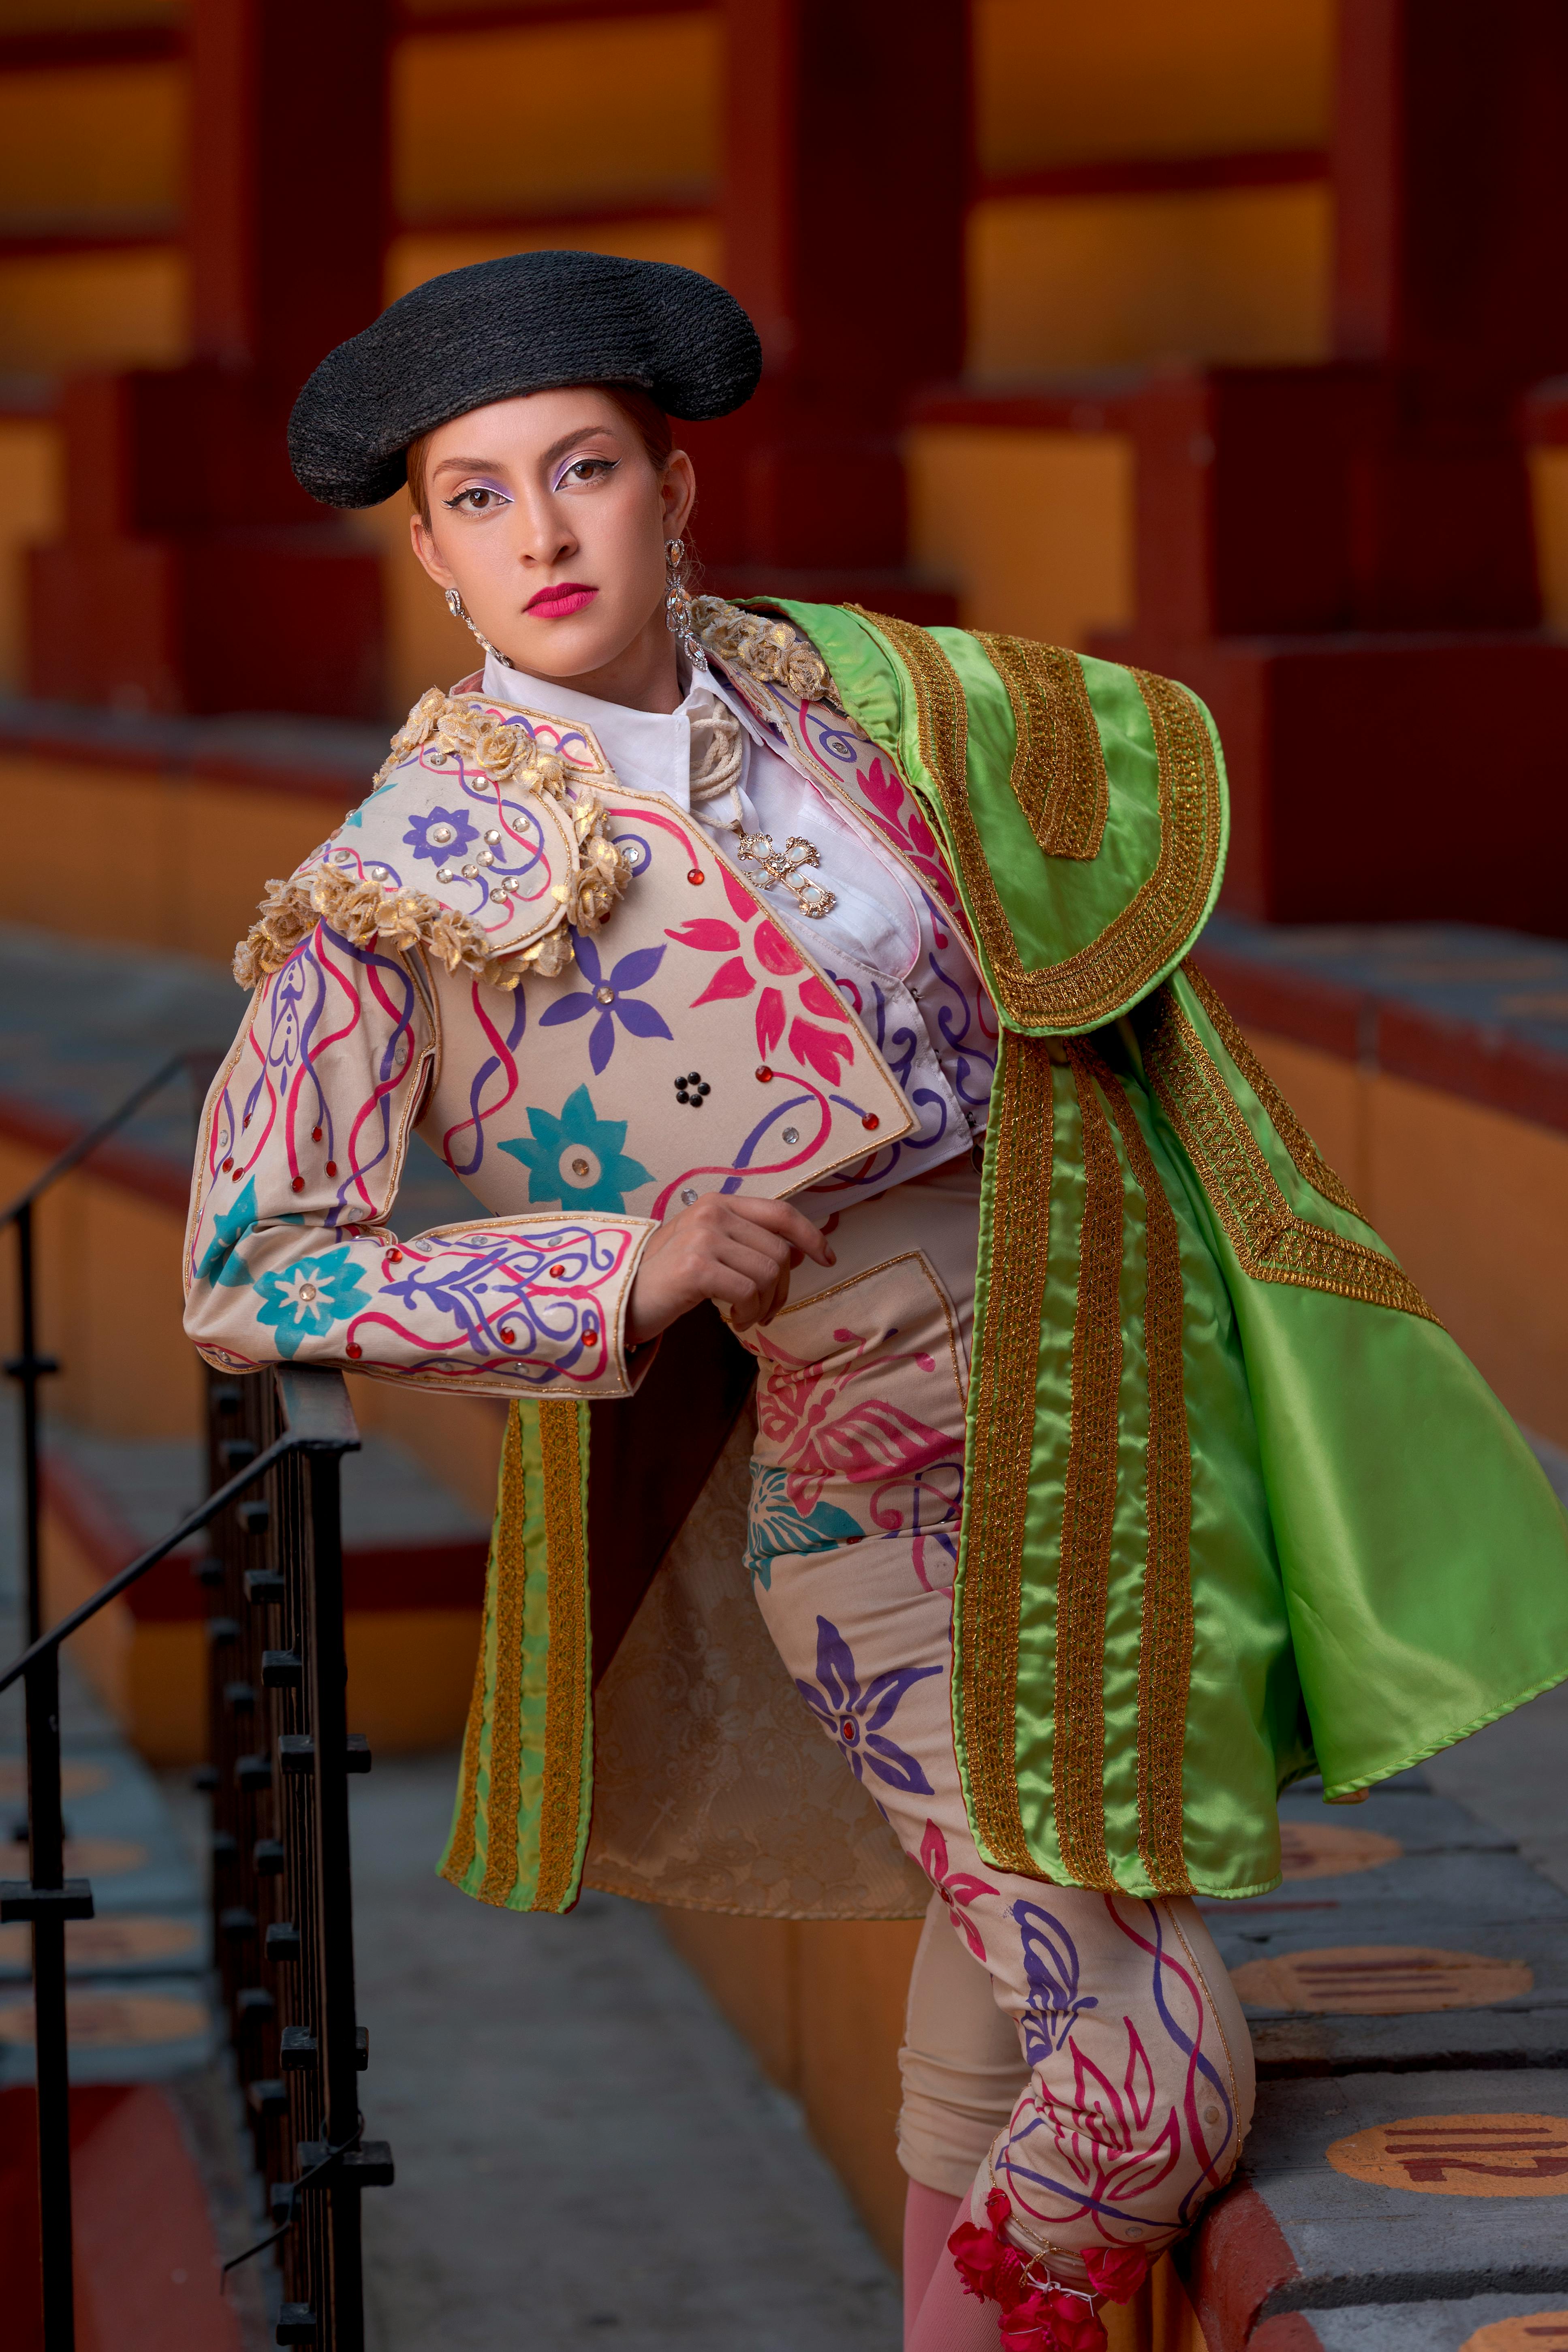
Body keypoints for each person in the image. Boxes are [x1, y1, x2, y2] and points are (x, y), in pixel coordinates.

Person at [184, 251, 1568, 2352]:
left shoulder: (861, 701)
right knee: (1156, 2074)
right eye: (479, 497)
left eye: (584, 472)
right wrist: (623, 1268)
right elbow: (246, 1267)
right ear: (430, 551)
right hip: (871, 1489)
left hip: (1102, 1395)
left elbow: (1095, 941)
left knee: (1005, 2018)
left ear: (679, 487)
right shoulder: (406, 880)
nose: (543, 535)